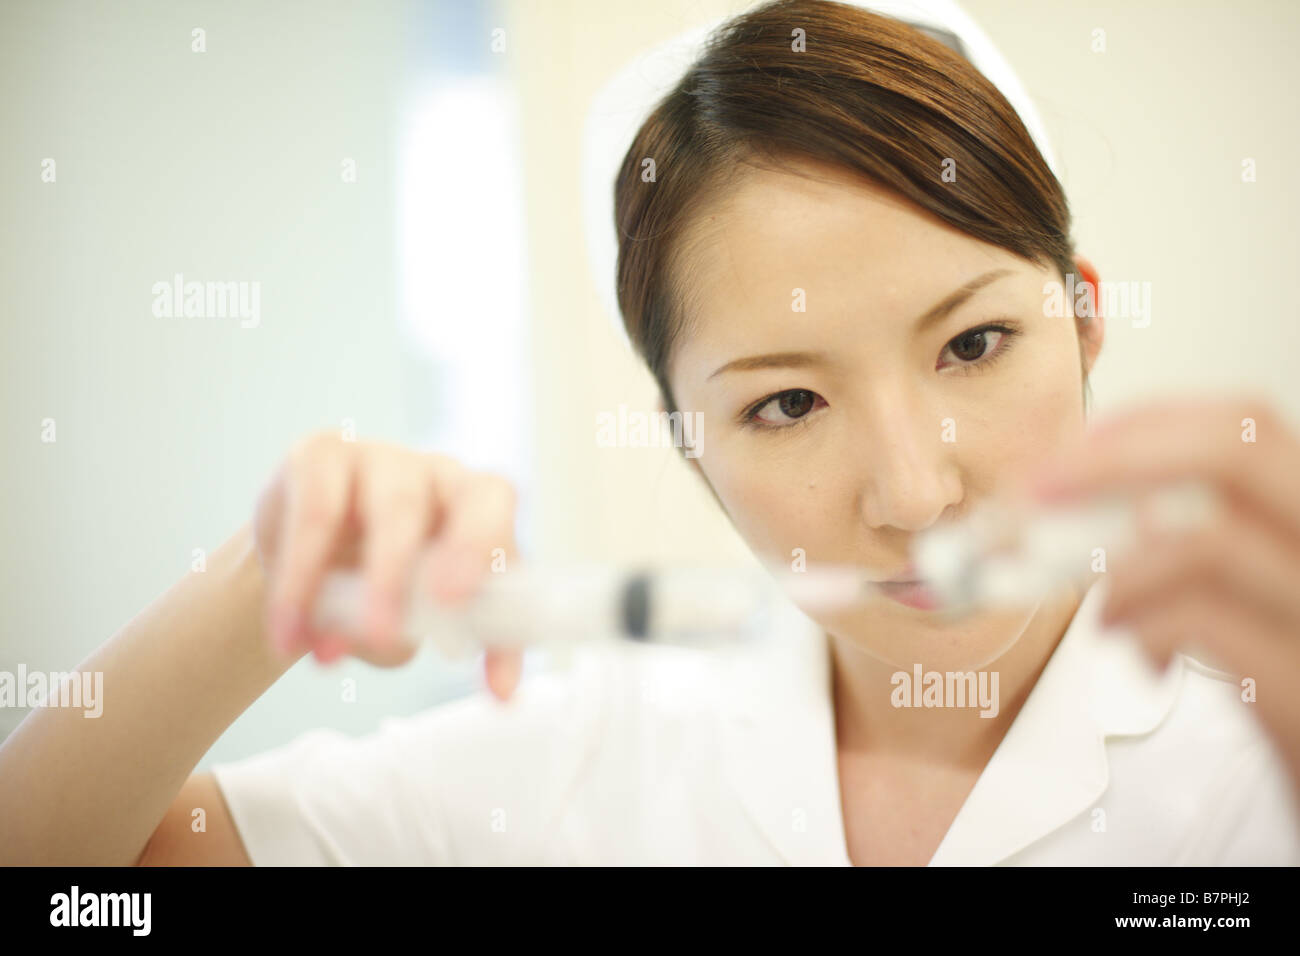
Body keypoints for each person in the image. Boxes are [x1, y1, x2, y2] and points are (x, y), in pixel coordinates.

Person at [2, 0, 1298, 866]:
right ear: (688, 443)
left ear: (1085, 318)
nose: (914, 493)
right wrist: (262, 578)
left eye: (973, 343)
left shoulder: (1262, 735)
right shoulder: (587, 758)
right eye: (785, 403)